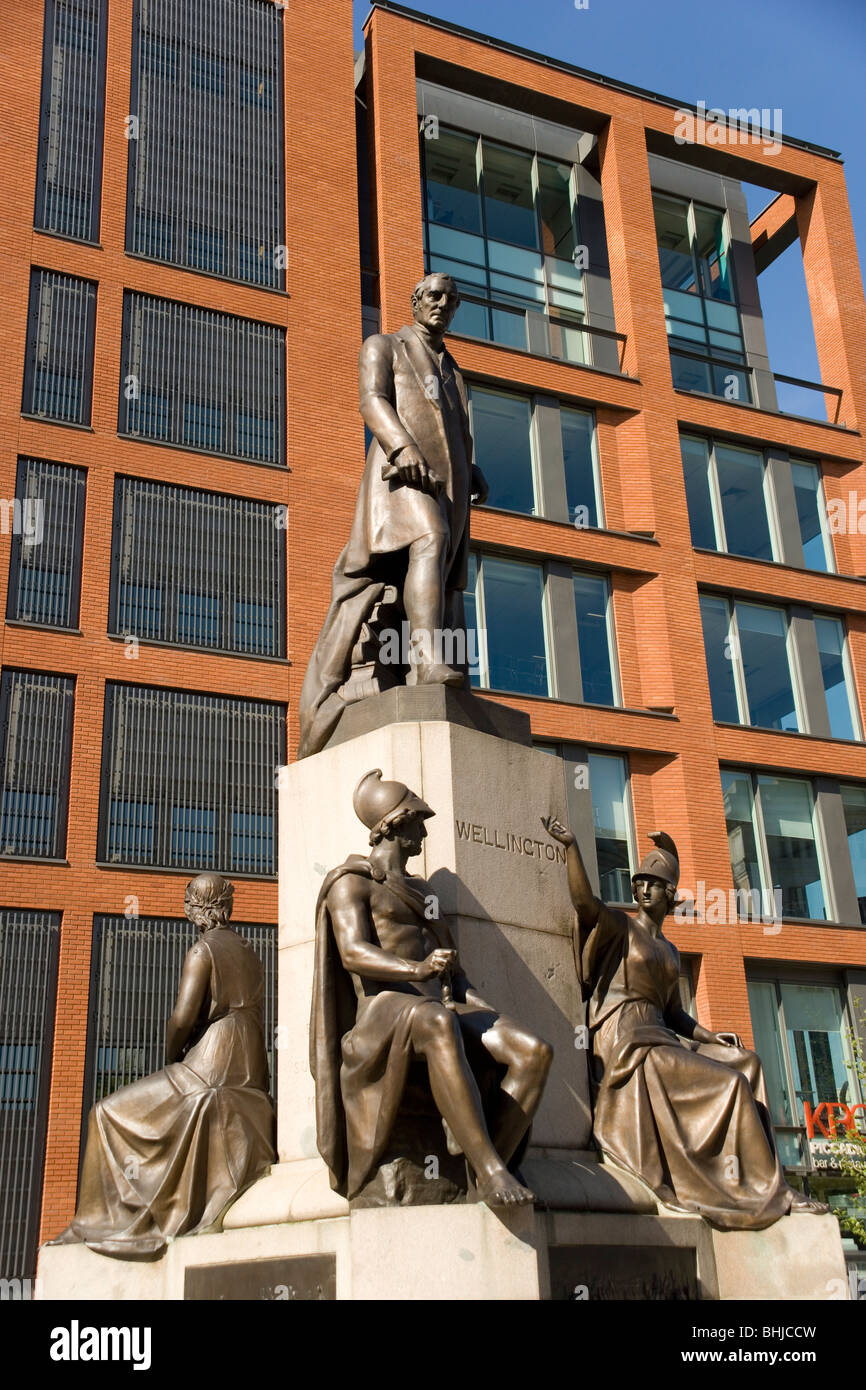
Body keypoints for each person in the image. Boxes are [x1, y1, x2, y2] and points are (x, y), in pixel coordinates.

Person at [542, 816, 828, 1230]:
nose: (641, 888)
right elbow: (585, 904)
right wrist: (571, 848)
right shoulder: (621, 925)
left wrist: (714, 1038)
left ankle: (749, 1180)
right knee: (729, 1084)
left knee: (745, 1064)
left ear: (669, 894)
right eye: (638, 881)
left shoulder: (671, 951)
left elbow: (675, 1013)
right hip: (627, 1038)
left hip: (660, 1033)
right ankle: (772, 1192)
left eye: (652, 883)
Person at [311, 769, 552, 1207]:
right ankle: (492, 1171)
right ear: (394, 825)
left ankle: (483, 1167)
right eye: (417, 821)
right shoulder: (351, 882)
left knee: (534, 1051)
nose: (423, 831)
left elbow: (455, 975)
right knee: (436, 1020)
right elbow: (353, 952)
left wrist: (485, 1011)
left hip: (437, 1002)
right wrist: (417, 969)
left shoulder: (424, 892)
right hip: (382, 1010)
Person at [298, 273, 489, 758]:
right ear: (416, 301)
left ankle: (433, 662)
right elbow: (372, 399)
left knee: (446, 576)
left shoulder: (454, 371)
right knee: (429, 537)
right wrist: (400, 446)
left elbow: (453, 428)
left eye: (452, 299)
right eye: (434, 295)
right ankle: (427, 661)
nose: (443, 304)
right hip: (400, 478)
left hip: (450, 485)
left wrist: (470, 468)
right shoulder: (384, 345)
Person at [50, 873, 275, 1257]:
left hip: (209, 1066)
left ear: (195, 908)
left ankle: (100, 1222)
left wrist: (171, 1054)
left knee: (104, 1113)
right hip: (249, 1064)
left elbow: (183, 1017)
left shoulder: (203, 951)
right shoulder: (249, 951)